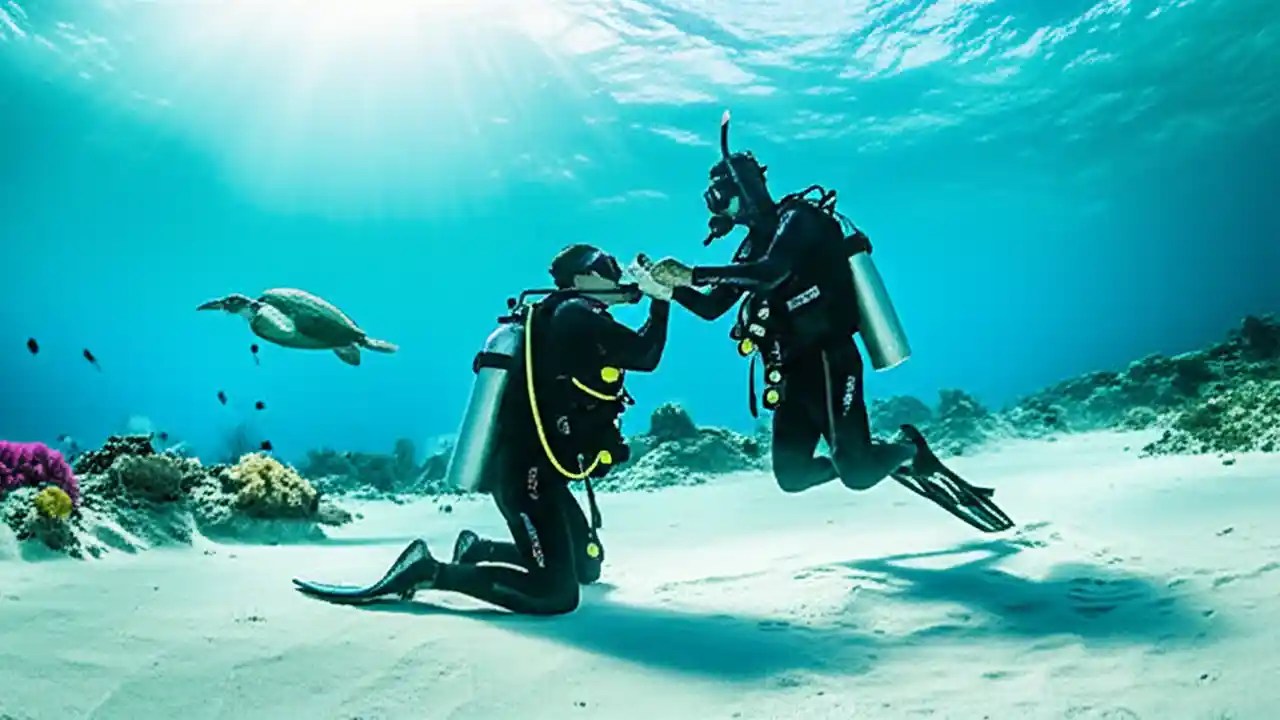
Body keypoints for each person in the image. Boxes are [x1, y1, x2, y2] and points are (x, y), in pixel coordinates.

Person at [632, 114, 1010, 534]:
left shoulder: (800, 218)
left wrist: (693, 273)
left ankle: (906, 450)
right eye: (713, 200)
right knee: (792, 478)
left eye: (721, 196)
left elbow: (771, 272)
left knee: (858, 476)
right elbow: (712, 308)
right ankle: (866, 455)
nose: (720, 208)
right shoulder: (748, 247)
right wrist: (667, 290)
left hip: (831, 357)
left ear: (745, 187)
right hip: (791, 369)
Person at [294, 244, 675, 613]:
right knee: (555, 594)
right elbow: (646, 354)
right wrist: (661, 300)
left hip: (541, 470)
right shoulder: (575, 313)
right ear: (584, 277)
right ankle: (429, 571)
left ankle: (479, 551)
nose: (618, 275)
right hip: (527, 477)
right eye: (607, 266)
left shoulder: (565, 314)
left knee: (585, 566)